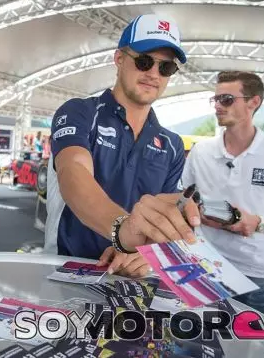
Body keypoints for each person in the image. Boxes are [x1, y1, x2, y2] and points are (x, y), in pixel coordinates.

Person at [48, 14, 201, 277]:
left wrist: (149, 251)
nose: (154, 73)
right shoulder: (80, 112)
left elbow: (165, 210)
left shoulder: (172, 144)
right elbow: (73, 172)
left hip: (134, 276)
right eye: (144, 61)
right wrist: (123, 230)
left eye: (166, 68)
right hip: (68, 267)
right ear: (119, 59)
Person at [181, 71, 264, 319]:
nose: (218, 106)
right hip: (203, 268)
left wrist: (259, 223)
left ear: (254, 102)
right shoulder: (202, 152)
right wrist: (194, 213)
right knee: (197, 345)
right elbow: (183, 200)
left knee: (251, 349)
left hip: (256, 276)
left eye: (227, 99)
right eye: (215, 100)